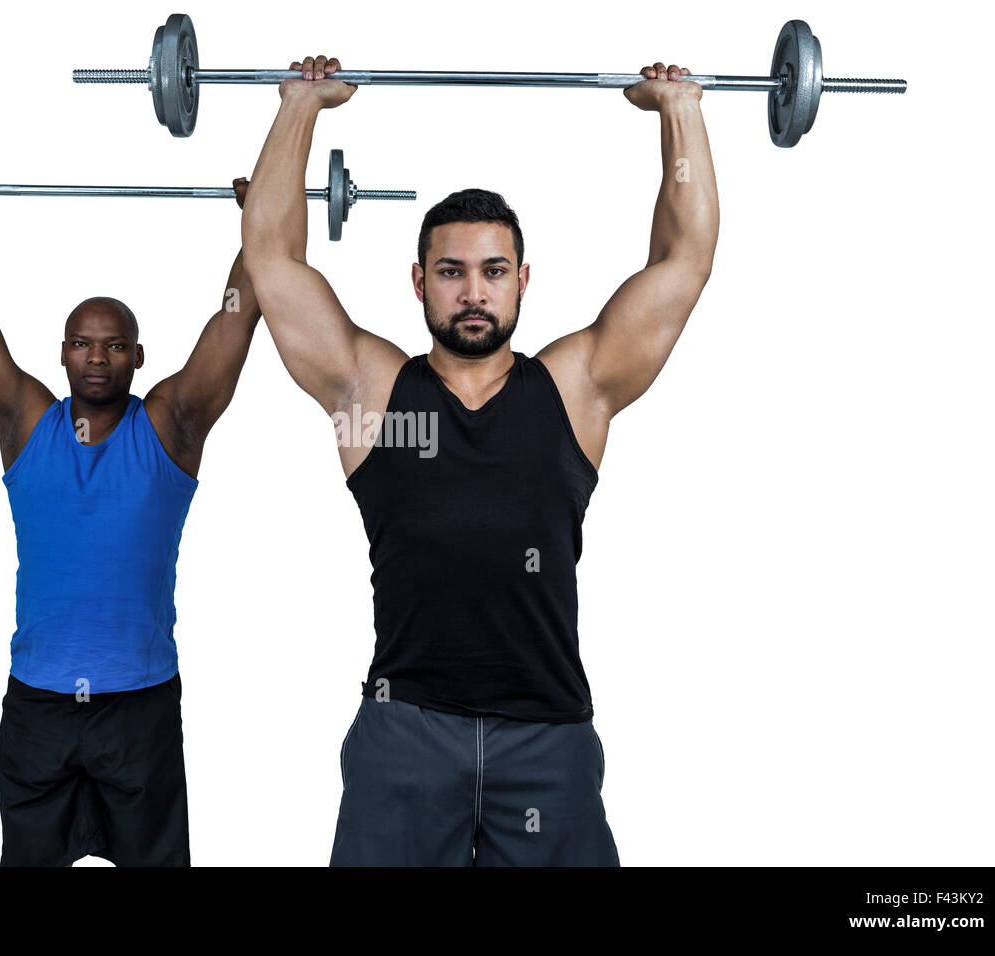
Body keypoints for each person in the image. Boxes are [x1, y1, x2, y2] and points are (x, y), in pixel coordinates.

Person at [241, 55, 719, 865]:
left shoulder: (577, 388)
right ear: (420, 282)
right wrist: (299, 107)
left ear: (522, 281)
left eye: (493, 272)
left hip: (548, 736)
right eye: (453, 273)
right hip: (404, 731)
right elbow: (272, 264)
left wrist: (679, 112)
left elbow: (686, 263)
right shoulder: (373, 392)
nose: (473, 292)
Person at [0, 173, 261, 866]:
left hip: (139, 709)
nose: (97, 357)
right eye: (82, 343)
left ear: (138, 356)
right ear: (63, 353)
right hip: (39, 708)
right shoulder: (25, 423)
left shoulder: (172, 427)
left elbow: (238, 316)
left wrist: (262, 219)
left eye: (113, 345)